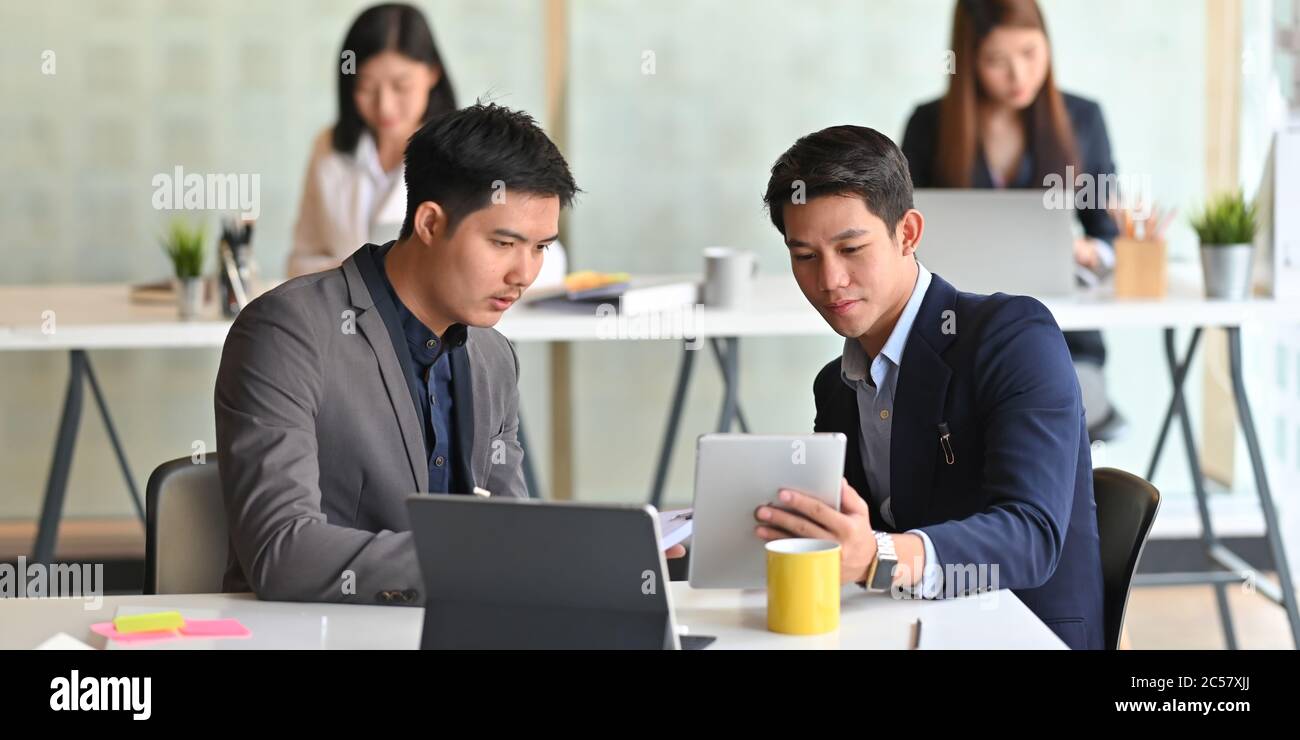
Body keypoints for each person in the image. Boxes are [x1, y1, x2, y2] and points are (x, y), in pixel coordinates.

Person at [216, 103, 686, 605]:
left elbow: (513, 533)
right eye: (504, 243)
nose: (524, 274)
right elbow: (283, 555)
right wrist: (489, 559)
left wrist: (589, 553)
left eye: (540, 247)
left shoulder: (493, 356)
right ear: (430, 223)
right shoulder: (287, 332)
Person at [755, 123, 1105, 649]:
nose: (829, 280)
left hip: (1018, 634)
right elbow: (850, 536)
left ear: (908, 233)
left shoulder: (1012, 337)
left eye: (851, 248)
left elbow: (1031, 535)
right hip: (901, 630)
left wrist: (880, 557)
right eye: (804, 257)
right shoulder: (836, 386)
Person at [900, 0, 1125, 440]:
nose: (1019, 75)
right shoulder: (929, 125)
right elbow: (901, 240)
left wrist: (1086, 252)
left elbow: (1109, 237)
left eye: (1029, 53)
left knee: (1023, 407)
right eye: (996, 61)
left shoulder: (1083, 120)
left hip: (1068, 347)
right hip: (955, 342)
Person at [287, 3, 457, 278]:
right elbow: (300, 261)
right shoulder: (328, 147)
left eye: (401, 87)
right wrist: (356, 276)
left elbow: (524, 256)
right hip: (341, 314)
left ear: (432, 74)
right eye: (366, 87)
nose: (385, 107)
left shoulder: (464, 150)